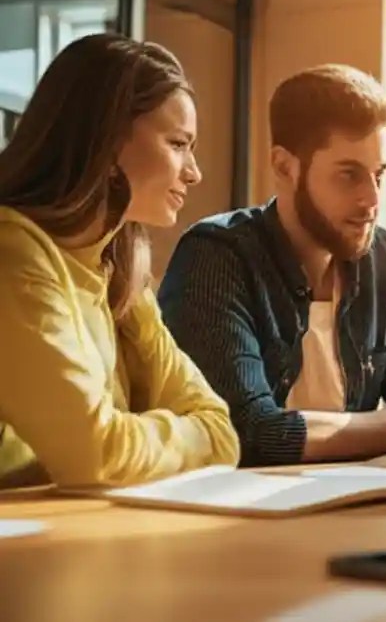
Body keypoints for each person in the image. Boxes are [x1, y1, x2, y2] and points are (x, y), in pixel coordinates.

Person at [159, 65, 386, 467]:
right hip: (239, 518)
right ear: (284, 167)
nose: (372, 200)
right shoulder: (217, 255)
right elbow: (244, 432)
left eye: (378, 174)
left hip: (353, 509)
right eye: (348, 175)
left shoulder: (385, 260)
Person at [0, 33, 239, 488]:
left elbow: (222, 432)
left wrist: (130, 440)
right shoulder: (12, 253)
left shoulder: (119, 271)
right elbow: (96, 455)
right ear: (108, 142)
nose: (194, 171)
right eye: (177, 143)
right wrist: (182, 436)